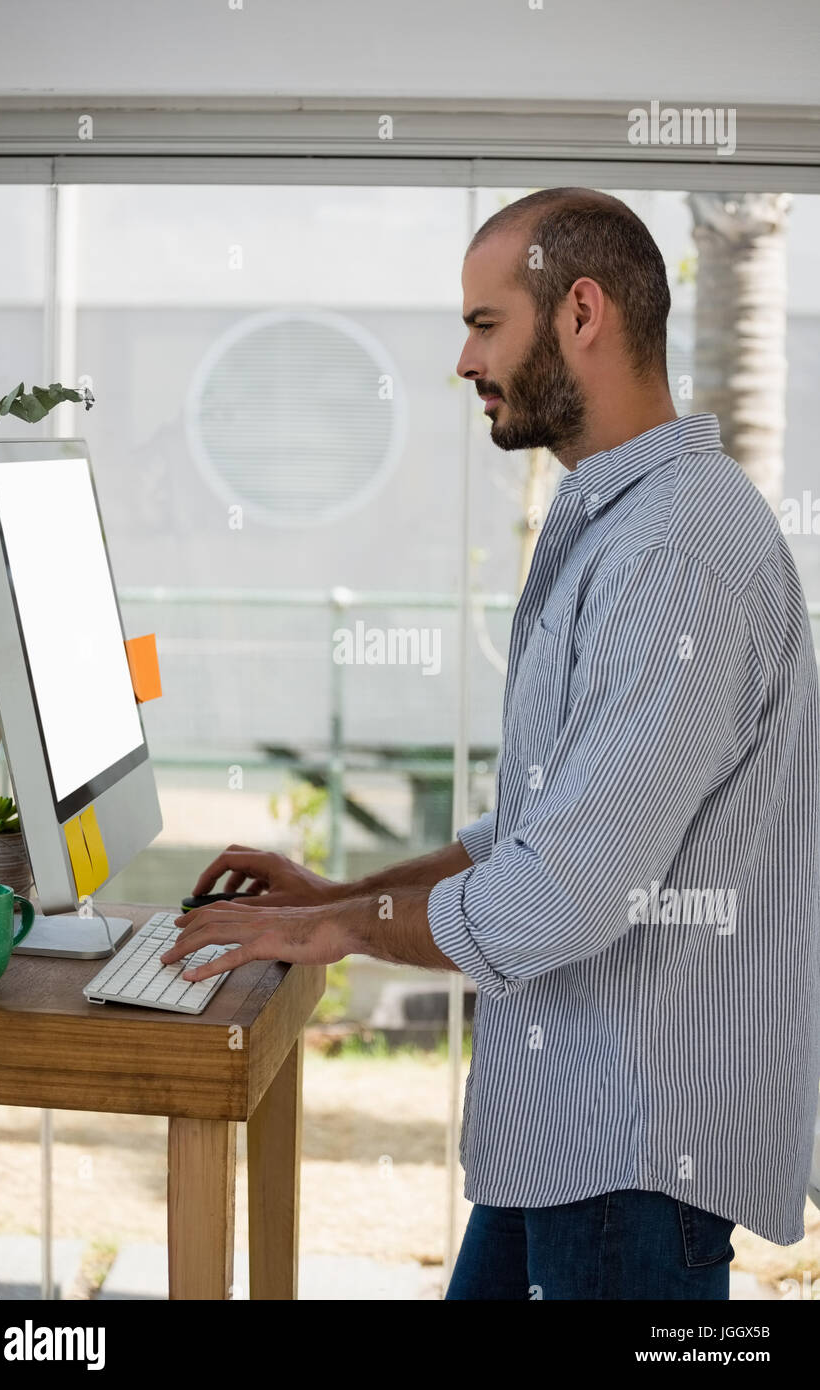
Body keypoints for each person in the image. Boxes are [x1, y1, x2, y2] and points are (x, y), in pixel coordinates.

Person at [161, 188, 820, 1300]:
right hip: (571, 1142)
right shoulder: (625, 521)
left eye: (481, 322)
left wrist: (331, 929)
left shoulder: (672, 554)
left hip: (626, 1172)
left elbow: (557, 893)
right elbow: (537, 833)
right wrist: (335, 893)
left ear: (578, 313)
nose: (461, 360)